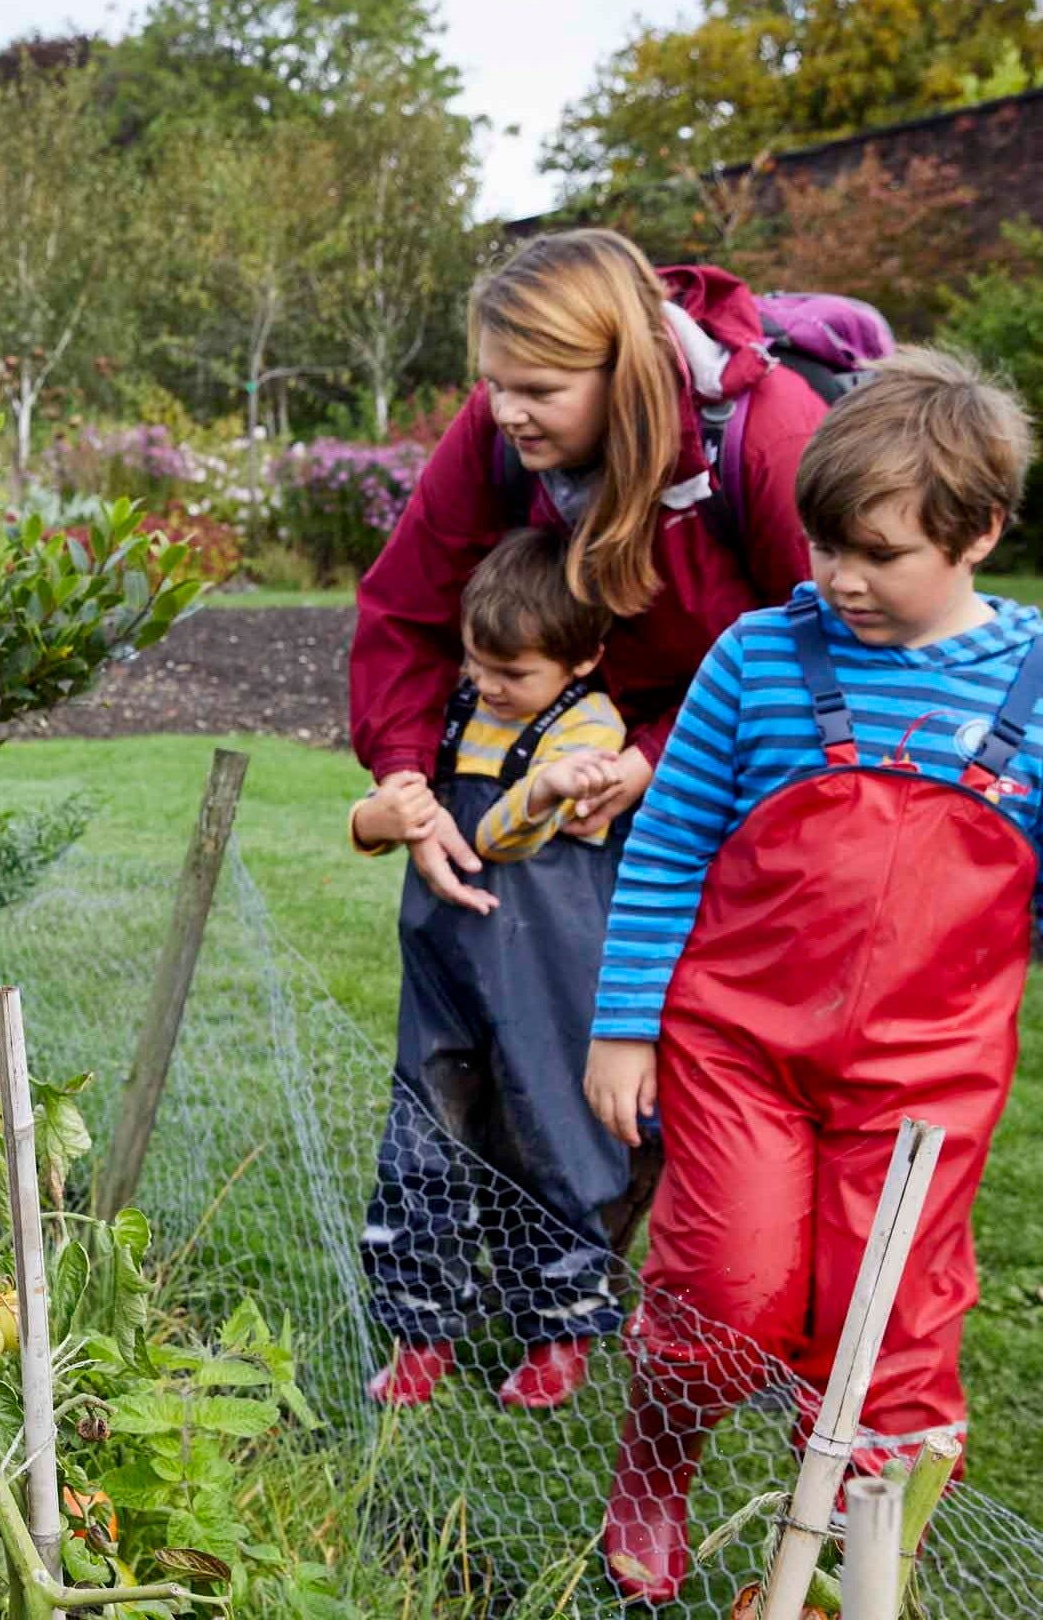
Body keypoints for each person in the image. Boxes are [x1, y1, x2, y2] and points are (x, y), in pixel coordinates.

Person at [583, 349, 1043, 1604]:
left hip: (924, 1091)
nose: (840, 578)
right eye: (825, 544)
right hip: (740, 1056)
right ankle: (657, 1466)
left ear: (980, 533)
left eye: (880, 553)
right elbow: (668, 852)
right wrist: (625, 1023)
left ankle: (838, 1584)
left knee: (888, 1344)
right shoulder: (756, 661)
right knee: (724, 1296)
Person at [350, 227, 831, 917]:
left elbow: (826, 643)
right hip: (570, 778)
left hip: (742, 784)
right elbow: (408, 606)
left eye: (539, 390)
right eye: (494, 383)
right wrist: (405, 781)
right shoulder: (496, 427)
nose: (506, 412)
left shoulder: (768, 440)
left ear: (624, 371)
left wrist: (656, 756)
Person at [352, 528, 632, 1410]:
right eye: (476, 663)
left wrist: (544, 791)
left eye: (514, 673)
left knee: (549, 1145)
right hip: (444, 975)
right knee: (423, 1149)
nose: (488, 685)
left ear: (584, 660)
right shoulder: (456, 711)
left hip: (548, 983)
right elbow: (381, 818)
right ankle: (421, 1329)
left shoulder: (590, 734)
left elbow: (495, 838)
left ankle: (558, 1332)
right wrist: (373, 817)